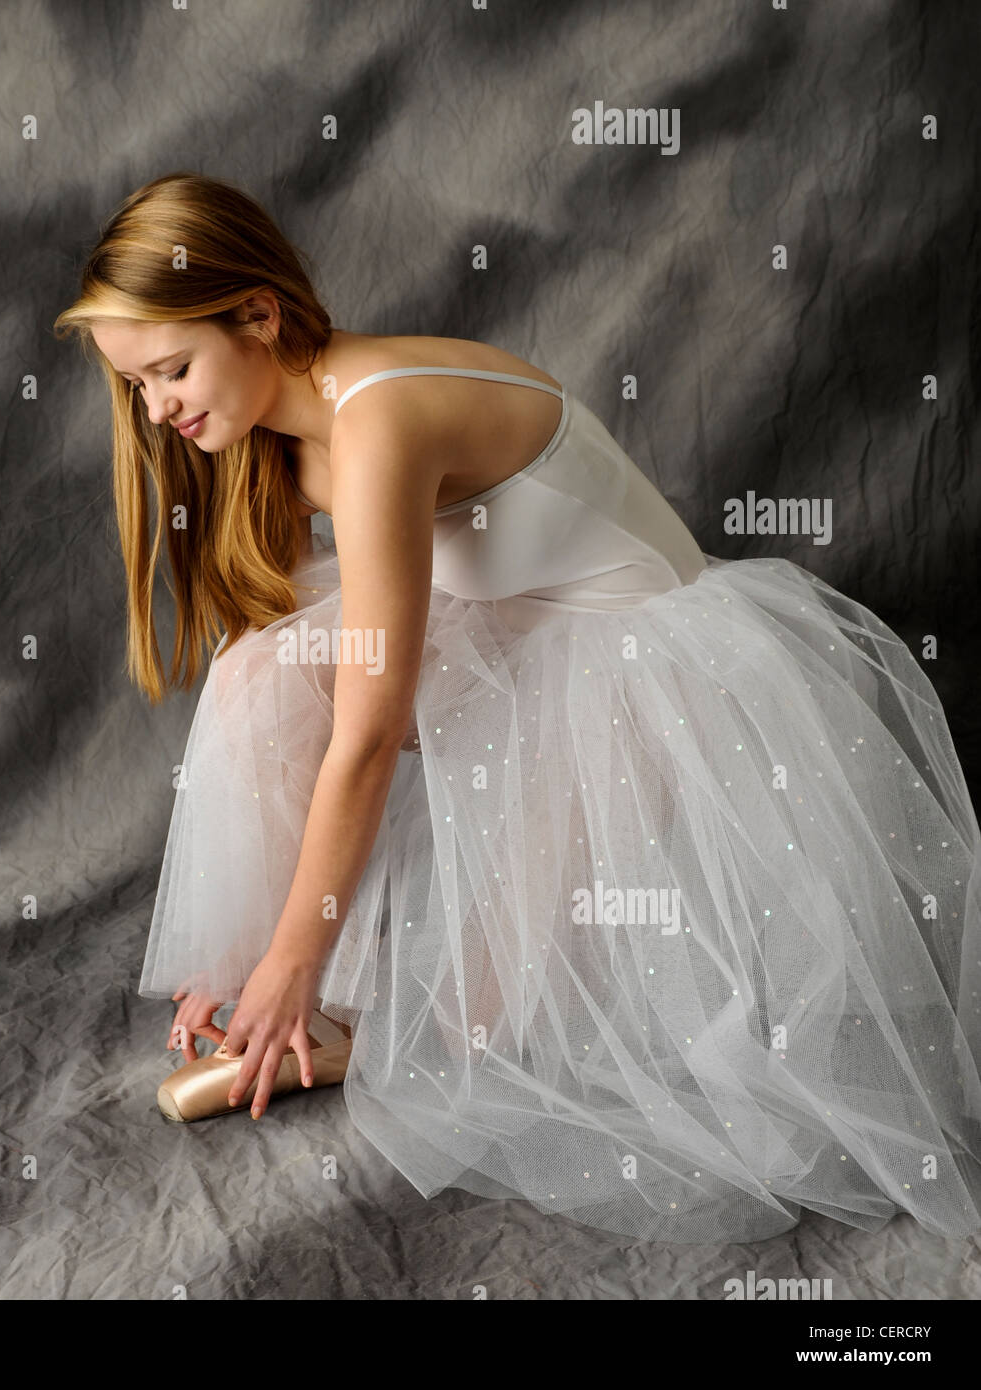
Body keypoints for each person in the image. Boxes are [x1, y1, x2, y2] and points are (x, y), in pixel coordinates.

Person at [53, 170, 981, 1243]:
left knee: (477, 1037)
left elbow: (366, 732)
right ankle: (267, 1004)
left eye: (172, 370)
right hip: (505, 610)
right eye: (139, 388)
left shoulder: (375, 422)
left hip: (642, 656)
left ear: (257, 315)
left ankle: (323, 1001)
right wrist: (254, 950)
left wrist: (295, 953)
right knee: (258, 673)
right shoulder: (287, 425)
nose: (160, 410)